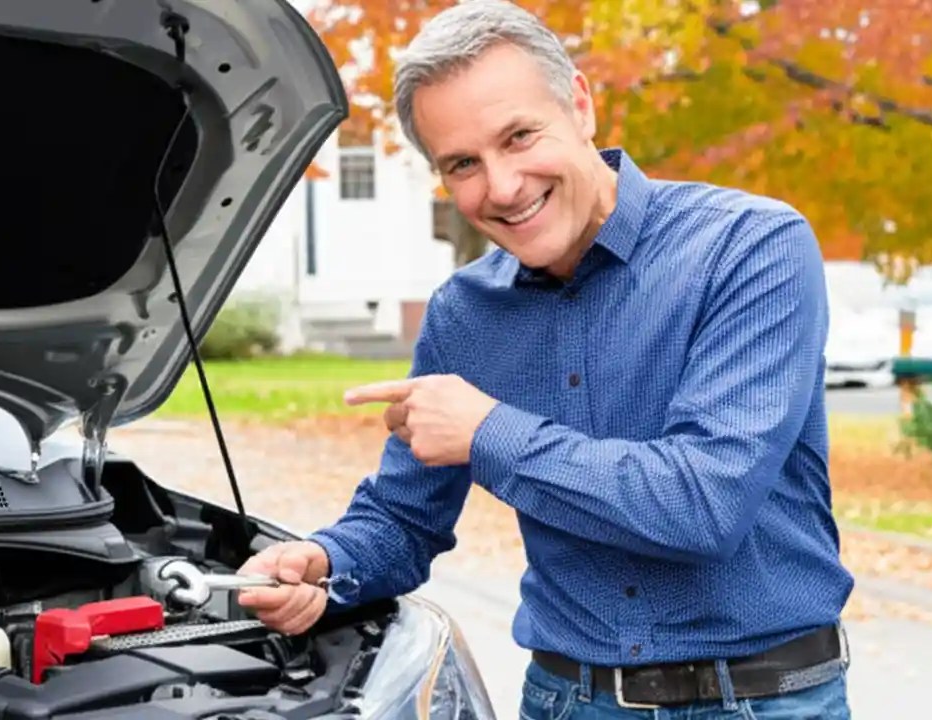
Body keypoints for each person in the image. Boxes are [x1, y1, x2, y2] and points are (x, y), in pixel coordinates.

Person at [236, 0, 855, 716]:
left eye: (520, 136)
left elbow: (703, 504)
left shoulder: (749, 249)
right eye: (463, 164)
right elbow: (404, 523)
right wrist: (326, 564)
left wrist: (486, 430)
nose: (501, 187)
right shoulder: (462, 315)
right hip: (565, 700)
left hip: (760, 702)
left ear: (581, 105)